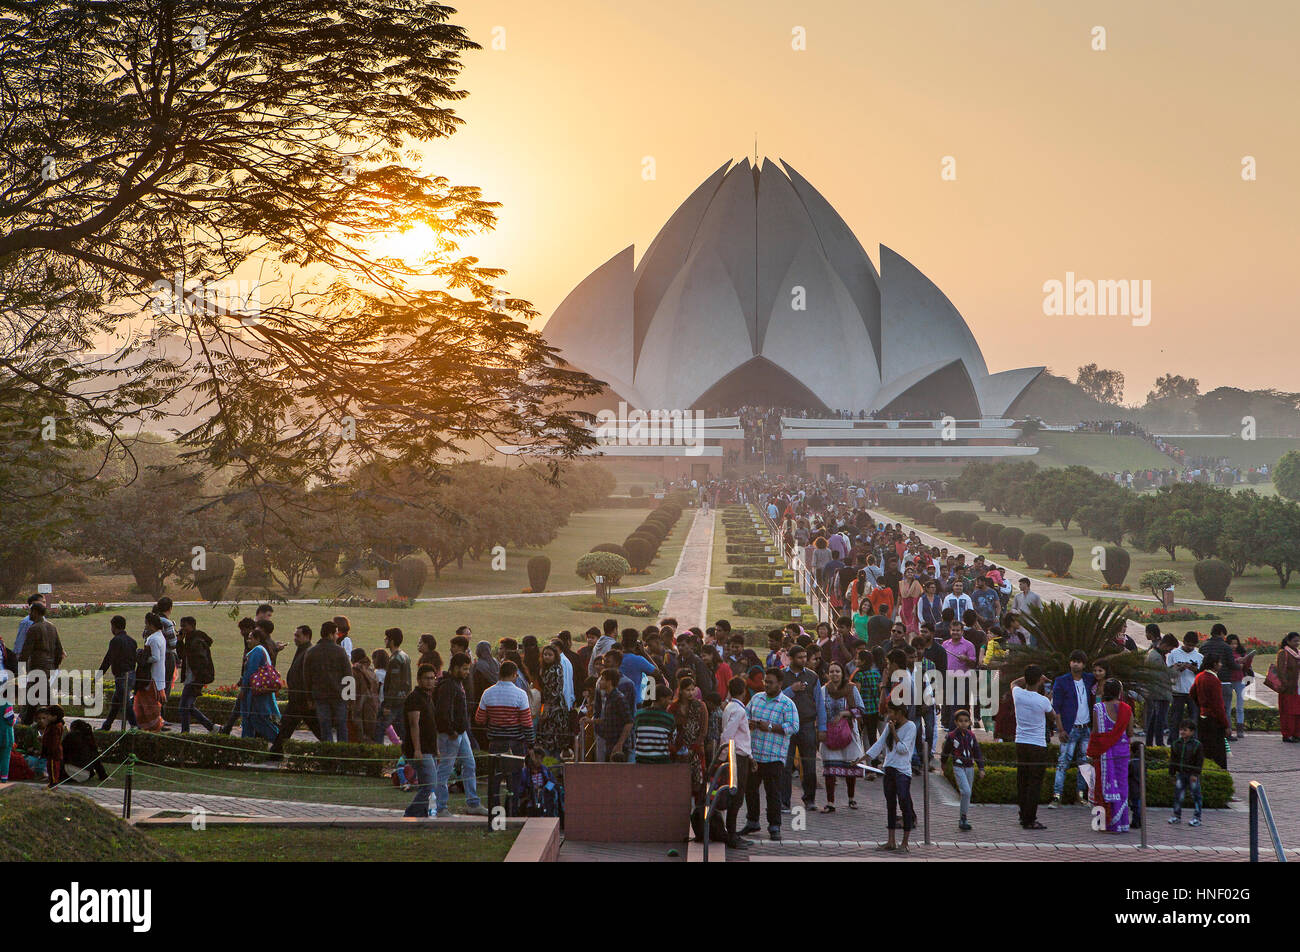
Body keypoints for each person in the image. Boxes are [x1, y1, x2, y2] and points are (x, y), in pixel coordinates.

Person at [744, 667, 800, 842]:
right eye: (765, 682)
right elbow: (744, 717)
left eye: (770, 682)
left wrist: (769, 726)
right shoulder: (756, 698)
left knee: (773, 792)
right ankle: (752, 821)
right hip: (754, 755)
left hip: (774, 756)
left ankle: (774, 826)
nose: (766, 685)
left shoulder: (787, 704)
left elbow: (793, 727)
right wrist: (749, 723)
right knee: (751, 790)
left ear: (780, 684)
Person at [432, 652, 489, 817]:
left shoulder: (455, 683)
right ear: (455, 668)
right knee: (445, 770)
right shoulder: (448, 685)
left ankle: (473, 803)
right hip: (451, 734)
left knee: (470, 765)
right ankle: (441, 807)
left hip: (459, 732)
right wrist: (450, 731)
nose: (467, 672)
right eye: (464, 669)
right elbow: (442, 711)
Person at [864, 702, 917, 852]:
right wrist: (861, 759)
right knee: (890, 805)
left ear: (900, 712)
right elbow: (879, 745)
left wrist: (894, 732)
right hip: (889, 768)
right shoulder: (889, 725)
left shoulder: (911, 726)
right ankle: (891, 841)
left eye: (892, 713)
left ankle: (905, 843)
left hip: (903, 771)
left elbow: (902, 749)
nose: (889, 716)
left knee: (904, 803)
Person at [1011, 665, 1059, 830]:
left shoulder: (1017, 694)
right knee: (1034, 783)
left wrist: (1029, 677)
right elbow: (1052, 716)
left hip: (1021, 742)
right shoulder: (1043, 700)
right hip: (1038, 744)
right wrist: (1047, 692)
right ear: (1039, 680)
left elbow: (1013, 683)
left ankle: (1023, 813)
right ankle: (1029, 819)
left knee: (1022, 780)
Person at [779, 644, 824, 812]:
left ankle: (809, 799)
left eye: (805, 657)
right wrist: (792, 689)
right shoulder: (782, 675)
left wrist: (822, 727)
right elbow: (776, 698)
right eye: (800, 657)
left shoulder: (812, 676)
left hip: (807, 725)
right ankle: (784, 801)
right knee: (786, 765)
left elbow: (819, 703)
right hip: (787, 725)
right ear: (791, 658)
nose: (803, 660)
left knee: (809, 764)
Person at [1048, 650, 1095, 808]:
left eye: (1079, 661)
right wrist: (1060, 730)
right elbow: (1057, 708)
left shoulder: (1089, 679)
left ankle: (1081, 796)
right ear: (1069, 663)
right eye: (1073, 661)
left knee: (1084, 762)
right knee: (1063, 762)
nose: (1076, 664)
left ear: (1084, 664)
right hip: (1070, 728)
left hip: (1086, 728)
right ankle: (1056, 796)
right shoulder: (1062, 681)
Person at [1086, 678, 1133, 833]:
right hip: (1122, 752)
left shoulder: (1098, 708)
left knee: (1101, 786)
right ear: (1119, 692)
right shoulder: (1127, 709)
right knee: (1121, 786)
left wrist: (1092, 752)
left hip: (1104, 752)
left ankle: (1101, 823)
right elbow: (1130, 732)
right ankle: (1120, 824)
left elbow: (1096, 733)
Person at [268, 625, 320, 761]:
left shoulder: (308, 651)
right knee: (288, 726)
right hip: (298, 698)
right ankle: (275, 753)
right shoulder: (304, 650)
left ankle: (275, 753)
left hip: (300, 699)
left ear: (307, 636)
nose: (295, 639)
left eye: (298, 636)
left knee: (287, 726)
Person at [818, 661, 864, 812]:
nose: (834, 674)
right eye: (831, 671)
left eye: (837, 671)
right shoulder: (824, 690)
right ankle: (830, 802)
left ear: (843, 673)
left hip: (848, 733)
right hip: (830, 734)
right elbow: (820, 711)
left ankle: (851, 798)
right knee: (830, 768)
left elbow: (860, 709)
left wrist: (845, 713)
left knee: (850, 766)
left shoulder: (851, 689)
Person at [717, 675, 753, 849]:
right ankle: (731, 835)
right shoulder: (738, 710)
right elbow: (728, 734)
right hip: (736, 755)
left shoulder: (730, 707)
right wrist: (723, 755)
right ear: (744, 691)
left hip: (737, 754)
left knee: (735, 796)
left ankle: (731, 832)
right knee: (736, 796)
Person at [303, 621, 351, 743]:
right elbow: (348, 676)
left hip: (320, 696)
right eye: (335, 633)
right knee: (341, 727)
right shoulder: (340, 651)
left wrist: (309, 698)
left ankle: (328, 752)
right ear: (330, 634)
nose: (337, 636)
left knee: (325, 727)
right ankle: (342, 753)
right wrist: (350, 698)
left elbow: (307, 677)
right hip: (339, 696)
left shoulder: (312, 652)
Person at [17, 601, 64, 725]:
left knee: (35, 699)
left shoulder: (34, 628)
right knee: (36, 698)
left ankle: (57, 722)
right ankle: (28, 725)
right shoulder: (52, 627)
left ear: (35, 612)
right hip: (48, 668)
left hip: (37, 667)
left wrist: (19, 669)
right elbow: (60, 651)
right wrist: (54, 666)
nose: (29, 614)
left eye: (31, 611)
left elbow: (25, 652)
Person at [402, 663, 439, 817]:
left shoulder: (427, 697)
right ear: (419, 679)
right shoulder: (415, 698)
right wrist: (417, 749)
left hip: (428, 749)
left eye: (432, 678)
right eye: (426, 678)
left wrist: (436, 749)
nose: (430, 681)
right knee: (430, 785)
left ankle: (423, 815)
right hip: (420, 750)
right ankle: (411, 814)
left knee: (428, 785)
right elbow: (413, 724)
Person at [940, 708, 984, 831]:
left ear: (970, 722)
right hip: (958, 766)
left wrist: (981, 768)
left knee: (967, 793)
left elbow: (977, 751)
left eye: (966, 721)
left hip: (969, 766)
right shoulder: (952, 736)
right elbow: (946, 751)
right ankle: (963, 817)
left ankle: (963, 817)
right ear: (955, 722)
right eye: (960, 721)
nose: (963, 723)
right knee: (965, 791)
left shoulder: (971, 736)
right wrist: (943, 763)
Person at [239, 623, 281, 741]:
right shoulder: (262, 650)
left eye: (251, 638)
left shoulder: (257, 651)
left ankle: (279, 745)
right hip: (256, 694)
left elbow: (250, 673)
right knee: (250, 722)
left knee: (258, 721)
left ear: (257, 639)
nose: (248, 640)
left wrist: (243, 689)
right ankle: (247, 748)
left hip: (254, 695)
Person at [176, 617, 217, 734]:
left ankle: (185, 732)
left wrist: (197, 681)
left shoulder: (196, 641)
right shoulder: (190, 639)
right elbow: (183, 656)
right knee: (188, 707)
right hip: (193, 678)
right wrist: (180, 641)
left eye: (184, 626)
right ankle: (212, 727)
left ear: (192, 626)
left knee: (183, 707)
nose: (182, 628)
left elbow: (199, 662)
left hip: (194, 679)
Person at [98, 615, 137, 731]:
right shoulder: (132, 641)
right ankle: (106, 726)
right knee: (116, 703)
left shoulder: (115, 641)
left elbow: (109, 658)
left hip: (121, 676)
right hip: (131, 674)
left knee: (126, 703)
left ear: (114, 626)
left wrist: (100, 673)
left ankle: (135, 726)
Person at [1191, 655, 1229, 770]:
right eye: (1219, 662)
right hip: (1214, 719)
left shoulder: (1199, 676)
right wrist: (1225, 724)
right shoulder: (1213, 680)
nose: (1221, 665)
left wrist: (1201, 705)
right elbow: (1218, 705)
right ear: (1214, 664)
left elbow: (1192, 693)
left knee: (1205, 748)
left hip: (1203, 716)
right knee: (1218, 751)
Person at [132, 613, 167, 732]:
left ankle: (152, 727)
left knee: (148, 706)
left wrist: (142, 659)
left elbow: (155, 657)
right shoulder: (160, 636)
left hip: (151, 676)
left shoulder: (153, 639)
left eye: (146, 623)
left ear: (151, 624)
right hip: (159, 675)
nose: (145, 626)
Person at [587, 668, 632, 761]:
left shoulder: (619, 698)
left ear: (609, 682)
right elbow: (608, 719)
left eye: (602, 679)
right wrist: (590, 721)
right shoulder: (609, 698)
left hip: (619, 745)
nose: (600, 682)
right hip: (610, 742)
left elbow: (629, 722)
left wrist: (620, 744)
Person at [536, 644, 571, 757]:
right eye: (545, 654)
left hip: (555, 707)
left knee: (553, 735)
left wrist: (546, 709)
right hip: (550, 705)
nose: (547, 657)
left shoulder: (555, 669)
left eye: (550, 655)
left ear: (555, 656)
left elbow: (553, 692)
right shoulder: (546, 669)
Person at [1168, 720, 1205, 826]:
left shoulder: (1197, 745)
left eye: (1185, 730)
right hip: (1180, 774)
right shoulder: (1176, 744)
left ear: (1192, 732)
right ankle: (1176, 815)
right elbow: (1173, 760)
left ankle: (1197, 817)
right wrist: (1172, 773)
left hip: (1192, 774)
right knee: (1178, 795)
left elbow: (1199, 761)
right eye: (1181, 730)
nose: (1182, 732)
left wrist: (1195, 774)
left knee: (1196, 795)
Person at [1167, 632, 1203, 732]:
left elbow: (1202, 673)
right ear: (1184, 642)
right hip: (1178, 691)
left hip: (1193, 691)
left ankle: (1193, 741)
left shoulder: (1199, 656)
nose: (1190, 647)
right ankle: (1173, 741)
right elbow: (1168, 671)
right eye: (1188, 644)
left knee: (1194, 718)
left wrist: (1194, 669)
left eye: (1192, 645)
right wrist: (1180, 668)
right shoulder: (1174, 654)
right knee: (1176, 719)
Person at [1145, 634, 1177, 747]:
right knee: (1160, 719)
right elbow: (1161, 675)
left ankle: (1150, 742)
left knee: (1155, 718)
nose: (1169, 652)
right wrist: (1174, 670)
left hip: (1157, 691)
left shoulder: (1155, 654)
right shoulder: (1156, 656)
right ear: (1165, 645)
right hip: (1160, 692)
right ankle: (1159, 743)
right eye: (1170, 649)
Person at [632, 681, 677, 764]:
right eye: (669, 699)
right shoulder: (669, 718)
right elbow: (673, 739)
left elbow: (636, 733)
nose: (670, 702)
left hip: (641, 759)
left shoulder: (639, 715)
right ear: (662, 699)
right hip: (661, 760)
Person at [1224, 634, 1254, 742]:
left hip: (1239, 679)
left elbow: (1247, 666)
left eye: (1235, 643)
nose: (1234, 646)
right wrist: (1237, 661)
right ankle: (1228, 729)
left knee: (1240, 706)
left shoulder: (1241, 652)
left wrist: (1247, 659)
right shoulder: (1226, 652)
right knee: (1227, 706)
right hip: (1228, 679)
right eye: (1231, 643)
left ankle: (1240, 729)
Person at [348, 649, 380, 743]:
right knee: (369, 737)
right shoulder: (372, 672)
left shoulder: (354, 672)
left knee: (357, 738)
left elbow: (349, 694)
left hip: (358, 708)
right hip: (372, 708)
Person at [1275, 632, 1300, 742]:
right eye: (1295, 641)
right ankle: (1287, 734)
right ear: (1288, 641)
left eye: (1298, 641)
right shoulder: (1283, 653)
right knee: (1288, 713)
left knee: (1297, 712)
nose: (1297, 643)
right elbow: (1280, 671)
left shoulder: (1298, 653)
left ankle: (1296, 734)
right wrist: (1285, 684)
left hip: (1297, 687)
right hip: (1288, 688)